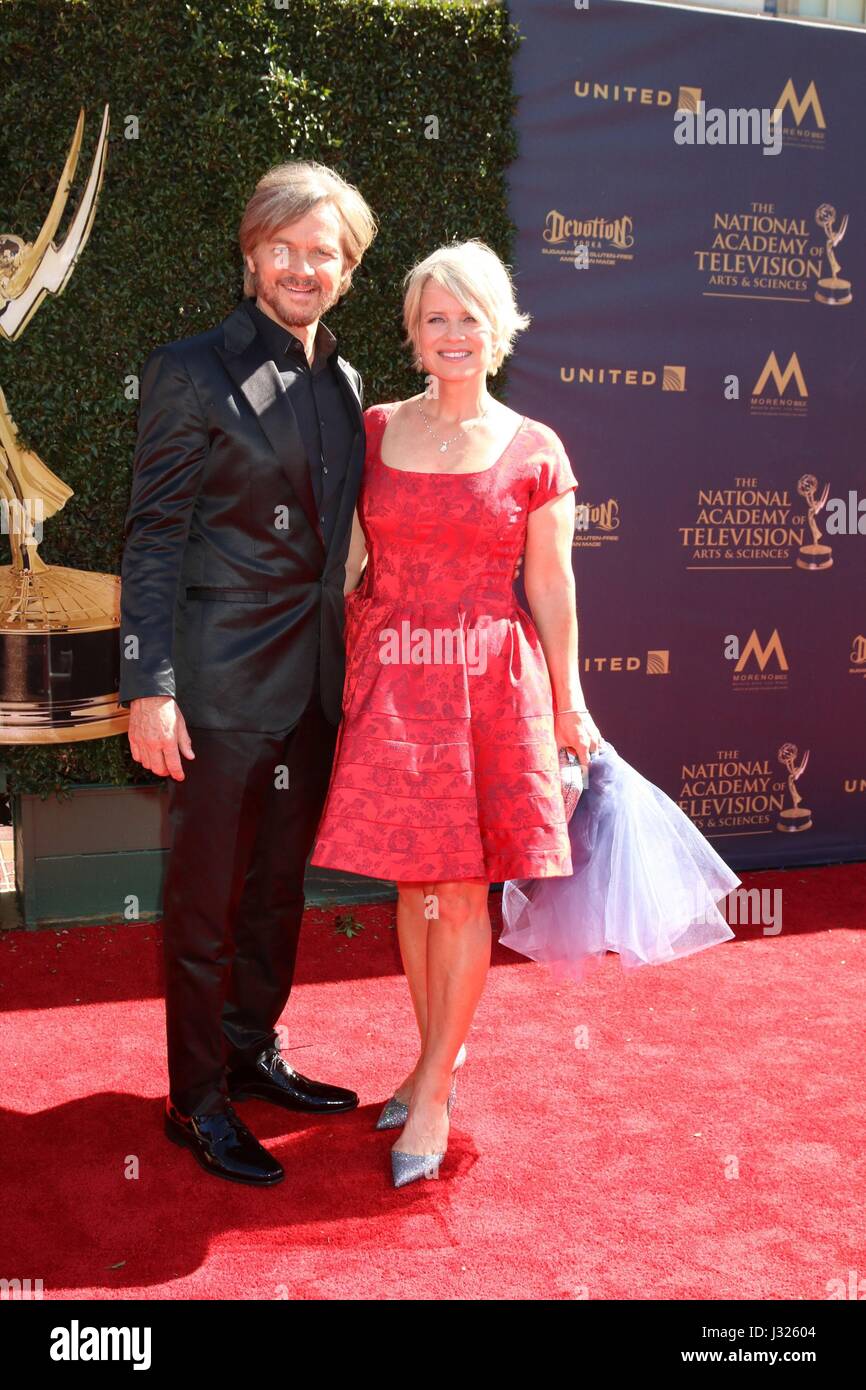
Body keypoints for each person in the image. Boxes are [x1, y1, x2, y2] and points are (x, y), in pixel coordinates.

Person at [310, 238, 605, 1187]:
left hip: (486, 681)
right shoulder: (375, 426)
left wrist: (572, 703)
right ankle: (427, 1051)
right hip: (393, 678)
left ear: (500, 329)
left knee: (465, 890)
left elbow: (553, 590)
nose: (452, 333)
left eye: (468, 316)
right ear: (411, 332)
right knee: (410, 887)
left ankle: (434, 1084)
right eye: (435, 317)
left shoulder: (535, 449)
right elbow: (348, 559)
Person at [119, 161, 377, 1186]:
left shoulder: (346, 385)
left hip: (311, 685)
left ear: (348, 270)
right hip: (215, 694)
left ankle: (249, 1049)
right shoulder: (190, 371)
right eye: (285, 247)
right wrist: (148, 683)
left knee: (275, 892)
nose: (302, 267)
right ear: (250, 252)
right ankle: (195, 1099)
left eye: (324, 252)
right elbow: (151, 539)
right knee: (201, 899)